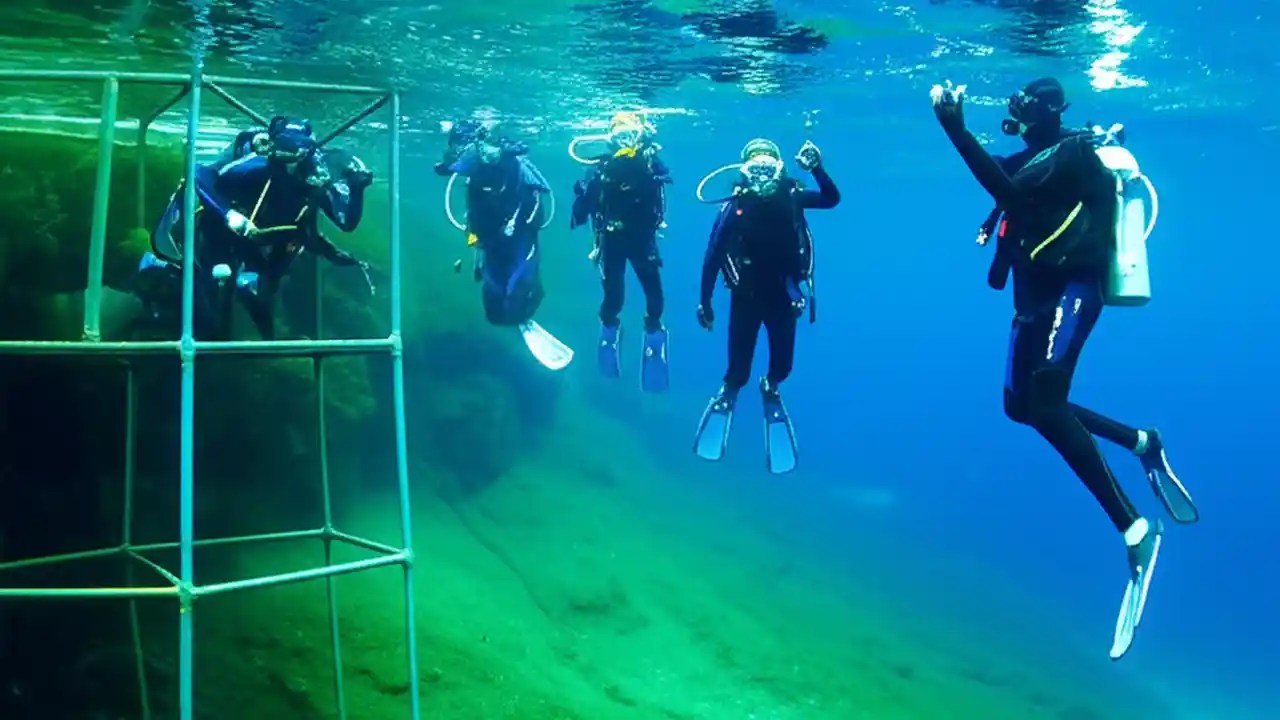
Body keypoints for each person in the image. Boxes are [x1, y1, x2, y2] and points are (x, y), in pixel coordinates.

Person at [930, 77, 1199, 661]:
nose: (1018, 111)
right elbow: (1006, 194)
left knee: (1048, 402)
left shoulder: (1073, 151)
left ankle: (1135, 532)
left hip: (1074, 291)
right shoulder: (1028, 158)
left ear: (1050, 113)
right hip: (1032, 301)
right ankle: (1142, 442)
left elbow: (1009, 187)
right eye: (1016, 104)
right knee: (1021, 407)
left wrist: (953, 126)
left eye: (1027, 106)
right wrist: (993, 232)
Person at [137, 115, 374, 340]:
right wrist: (229, 214)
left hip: (263, 241)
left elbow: (344, 222)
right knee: (207, 294)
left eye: (295, 156)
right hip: (224, 232)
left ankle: (254, 340)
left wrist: (357, 190)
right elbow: (199, 175)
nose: (289, 163)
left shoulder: (315, 179)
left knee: (261, 291)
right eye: (284, 155)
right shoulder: (257, 167)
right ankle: (169, 287)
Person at [692, 137, 839, 474]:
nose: (760, 176)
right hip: (746, 297)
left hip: (784, 298)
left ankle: (770, 385)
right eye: (754, 169)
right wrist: (705, 301)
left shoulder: (793, 196)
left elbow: (832, 199)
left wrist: (816, 167)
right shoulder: (734, 206)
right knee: (737, 369)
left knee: (783, 367)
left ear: (779, 169)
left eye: (767, 168)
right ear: (744, 171)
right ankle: (730, 390)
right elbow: (712, 255)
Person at [436, 119, 572, 370]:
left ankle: (525, 310)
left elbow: (532, 208)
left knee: (520, 280)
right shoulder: (473, 168)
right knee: (494, 307)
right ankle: (513, 312)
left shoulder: (509, 163)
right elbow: (452, 175)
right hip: (490, 240)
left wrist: (514, 226)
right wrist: (476, 244)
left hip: (518, 237)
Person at [569, 111, 673, 391]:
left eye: (631, 135)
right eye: (619, 136)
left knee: (654, 294)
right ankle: (609, 328)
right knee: (614, 296)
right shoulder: (601, 168)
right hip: (612, 241)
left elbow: (665, 177)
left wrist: (643, 161)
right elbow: (578, 216)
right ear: (610, 139)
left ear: (639, 136)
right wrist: (592, 187)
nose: (625, 142)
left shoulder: (650, 163)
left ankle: (653, 329)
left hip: (642, 241)